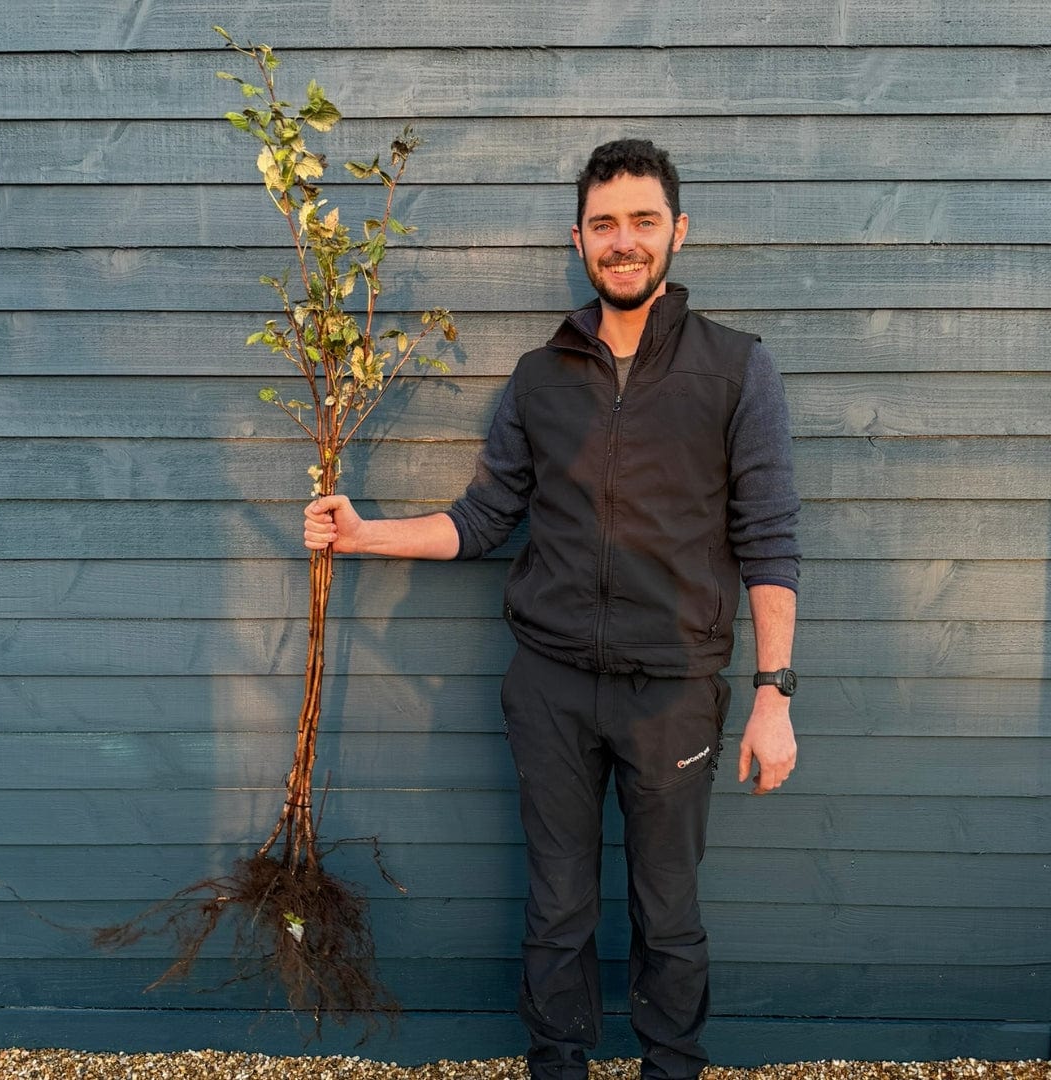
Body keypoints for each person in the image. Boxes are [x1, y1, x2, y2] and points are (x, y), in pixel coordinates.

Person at [303, 139, 800, 1080]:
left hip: (675, 692)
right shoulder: (539, 377)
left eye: (643, 222)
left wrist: (774, 693)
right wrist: (366, 535)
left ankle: (673, 1067)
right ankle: (557, 1066)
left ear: (677, 233)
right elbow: (483, 517)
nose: (624, 242)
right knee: (558, 907)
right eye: (605, 224)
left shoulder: (737, 370)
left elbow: (769, 537)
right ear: (579, 239)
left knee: (669, 909)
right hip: (552, 690)